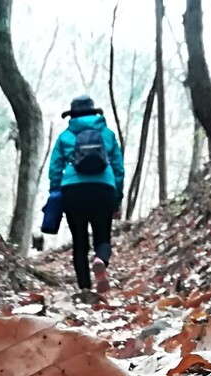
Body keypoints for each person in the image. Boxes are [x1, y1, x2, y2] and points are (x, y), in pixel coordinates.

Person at [47, 95, 125, 295]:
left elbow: (55, 167)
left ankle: (84, 288)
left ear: (72, 115)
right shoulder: (107, 134)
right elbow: (118, 168)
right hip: (103, 189)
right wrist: (117, 197)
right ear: (94, 112)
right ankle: (100, 260)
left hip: (73, 192)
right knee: (103, 237)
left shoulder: (65, 137)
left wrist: (56, 191)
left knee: (79, 242)